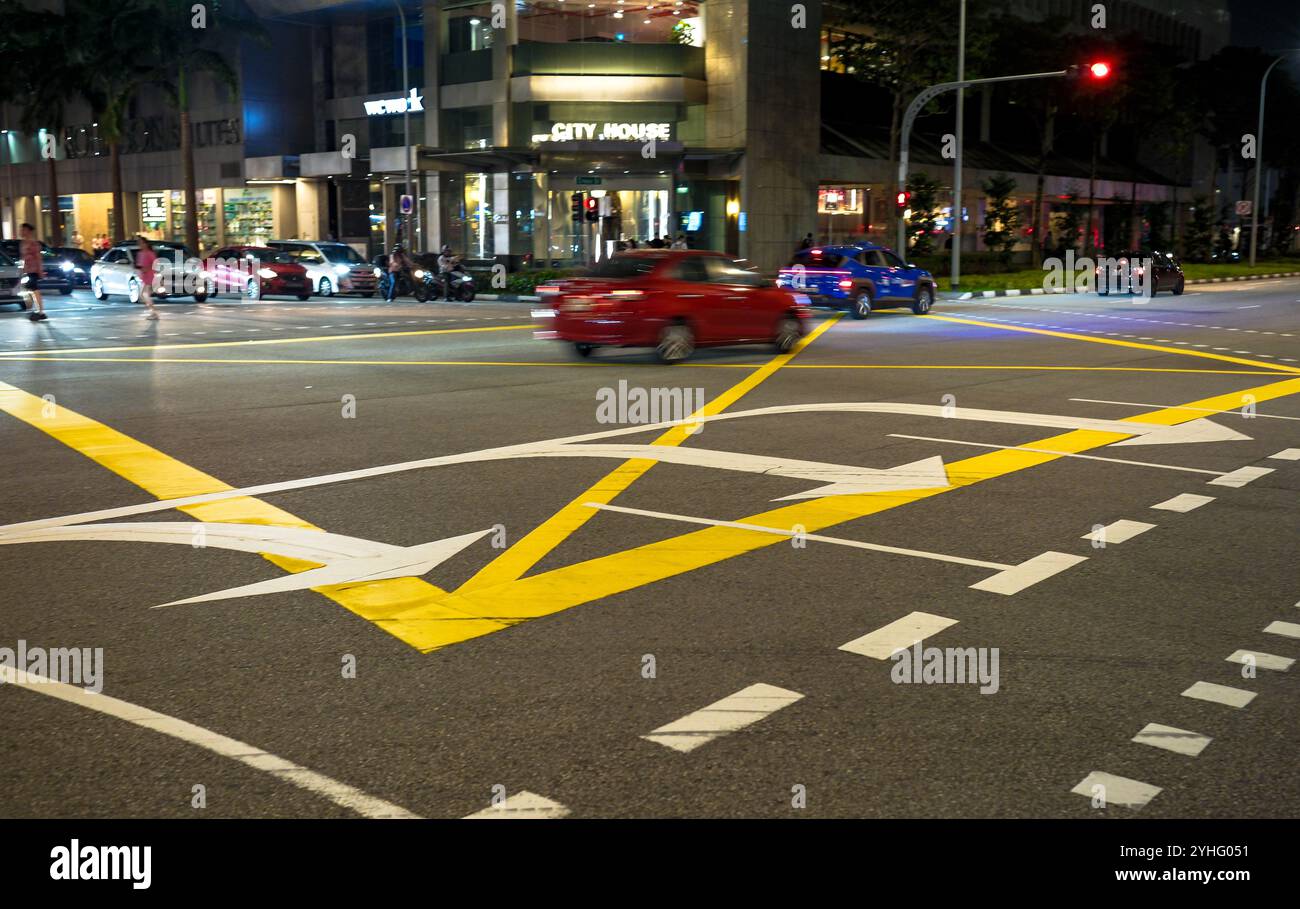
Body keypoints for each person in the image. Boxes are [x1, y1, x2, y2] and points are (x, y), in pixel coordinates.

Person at [19, 223, 46, 322]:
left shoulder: (33, 243)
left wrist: (40, 271)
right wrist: (22, 269)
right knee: (27, 290)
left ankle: (40, 311)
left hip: (33, 270)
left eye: (23, 230)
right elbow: (23, 258)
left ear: (28, 231)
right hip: (26, 271)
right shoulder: (23, 243)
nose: (21, 232)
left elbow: (38, 258)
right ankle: (35, 310)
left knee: (34, 290)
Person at [134, 235, 160, 320]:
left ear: (146, 244)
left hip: (149, 275)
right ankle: (152, 312)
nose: (140, 244)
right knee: (143, 295)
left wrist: (147, 268)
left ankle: (153, 312)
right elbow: (139, 265)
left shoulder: (150, 253)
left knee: (144, 294)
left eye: (141, 243)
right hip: (143, 276)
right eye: (139, 243)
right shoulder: (140, 253)